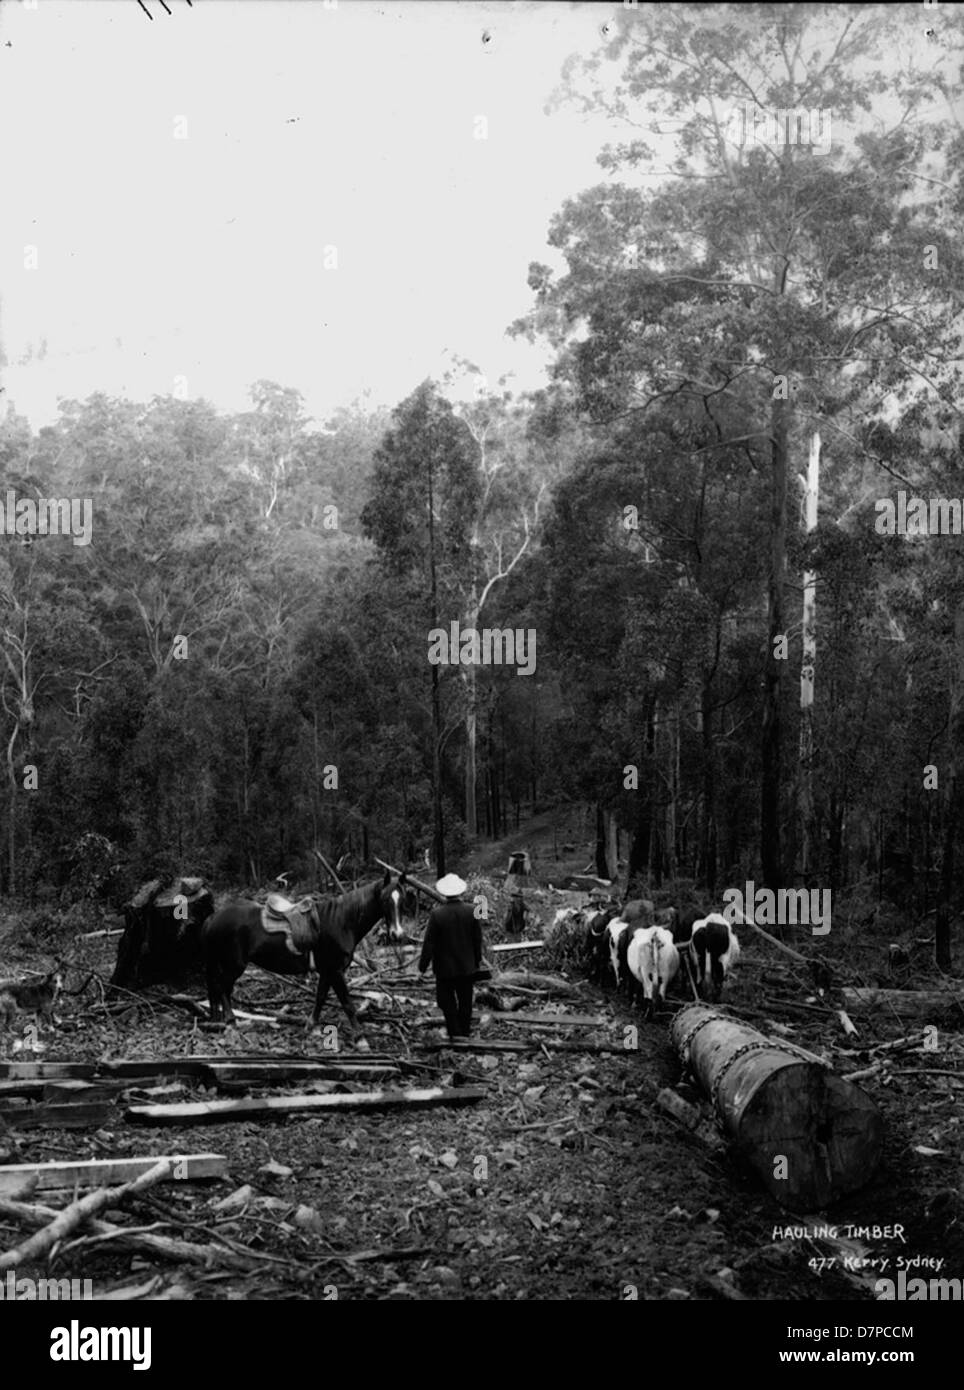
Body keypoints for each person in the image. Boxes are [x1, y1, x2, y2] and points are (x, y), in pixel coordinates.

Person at [419, 873, 483, 1041]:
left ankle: (454, 1032)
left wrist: (422, 967)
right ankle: (464, 1032)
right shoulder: (472, 911)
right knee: (465, 1001)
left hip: (444, 969)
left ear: (445, 893)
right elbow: (477, 939)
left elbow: (429, 943)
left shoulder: (437, 914)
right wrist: (477, 960)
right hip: (467, 966)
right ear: (460, 891)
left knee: (446, 1001)